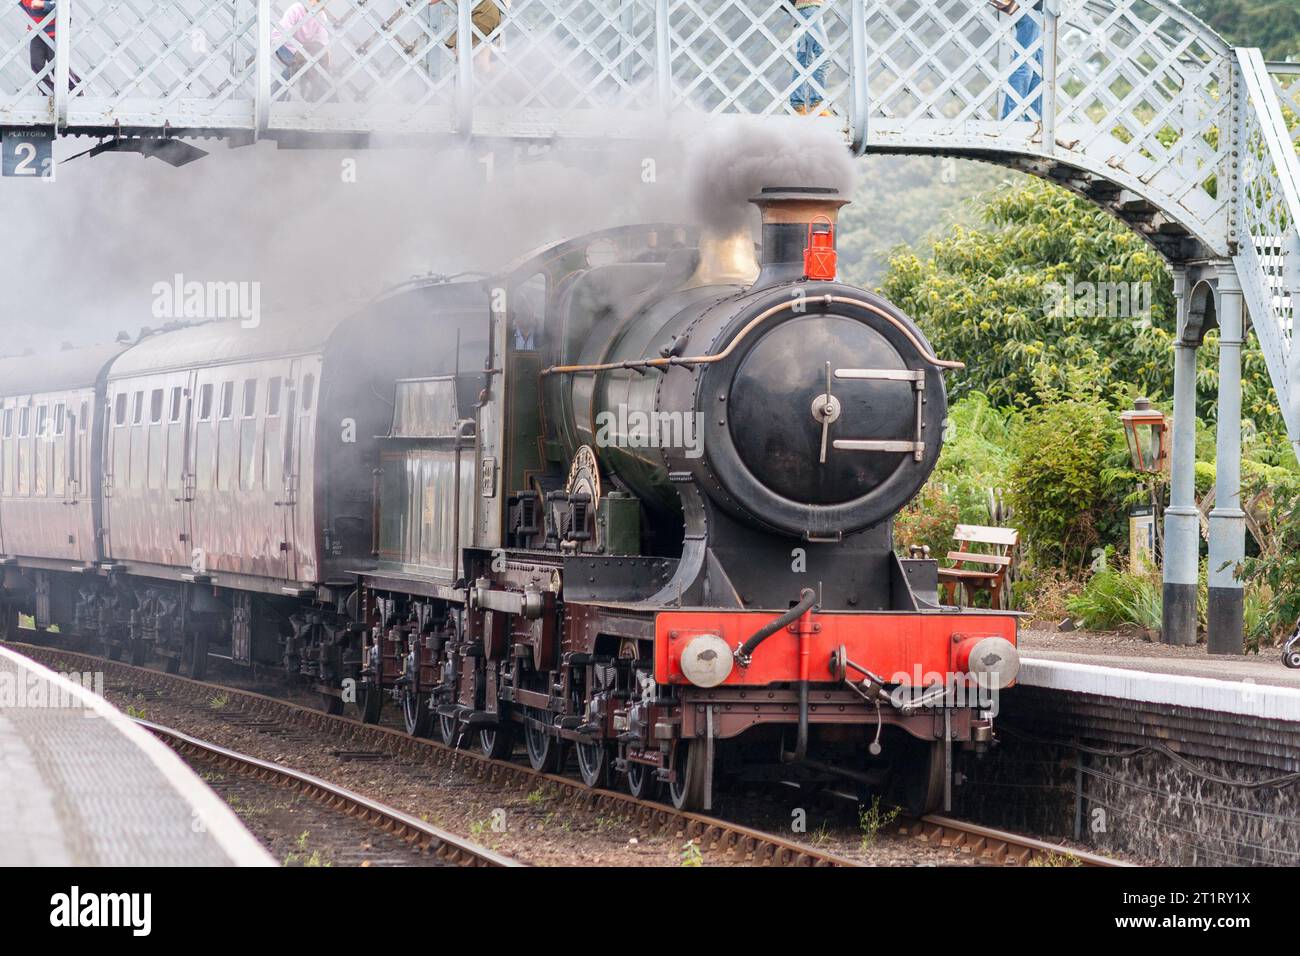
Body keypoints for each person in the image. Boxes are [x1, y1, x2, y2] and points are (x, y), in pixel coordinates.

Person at [992, 0, 1044, 120]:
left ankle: (1029, 118)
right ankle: (1011, 117)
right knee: (1025, 66)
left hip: (1035, 10)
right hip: (1031, 9)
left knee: (1037, 68)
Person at [271, 0, 332, 100]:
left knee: (317, 69)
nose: (320, 4)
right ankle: (275, 98)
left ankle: (318, 101)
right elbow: (284, 32)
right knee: (293, 66)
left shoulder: (321, 15)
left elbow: (322, 40)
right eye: (317, 1)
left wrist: (326, 57)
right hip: (282, 42)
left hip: (303, 48)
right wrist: (301, 51)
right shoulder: (296, 9)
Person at [18, 0, 79, 95]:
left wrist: (43, 4)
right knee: (36, 65)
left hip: (55, 32)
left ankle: (76, 90)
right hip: (37, 33)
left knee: (57, 65)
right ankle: (48, 92)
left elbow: (65, 4)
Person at [788, 0, 829, 115]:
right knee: (824, 56)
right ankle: (817, 102)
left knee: (803, 61)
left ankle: (797, 105)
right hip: (810, 9)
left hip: (803, 11)